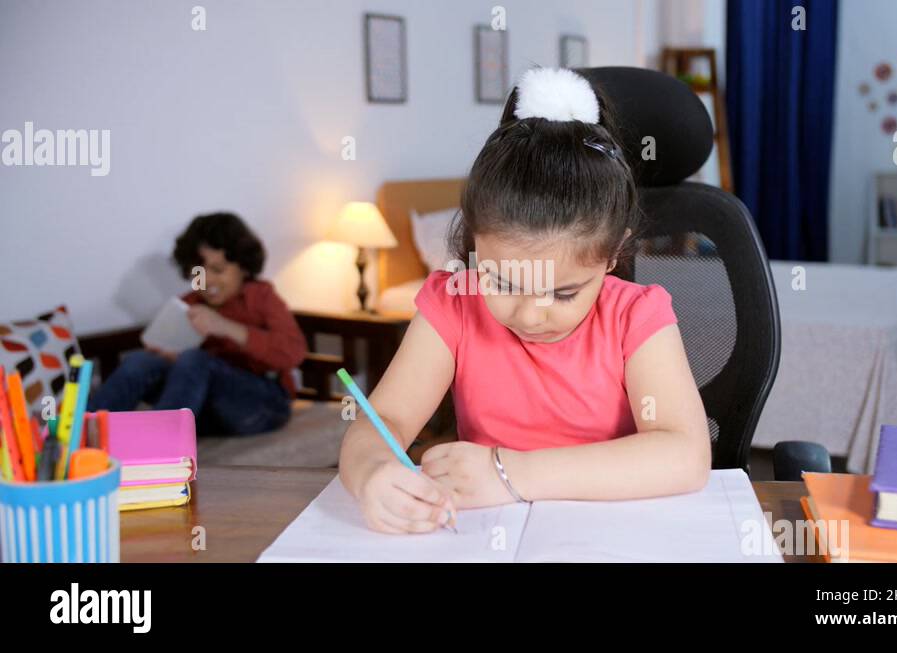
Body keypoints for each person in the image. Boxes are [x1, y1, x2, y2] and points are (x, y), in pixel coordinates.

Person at [338, 67, 710, 534]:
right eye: (504, 283)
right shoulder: (454, 304)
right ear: (474, 246)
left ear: (613, 254)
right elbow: (386, 418)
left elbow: (685, 454)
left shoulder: (636, 315)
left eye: (564, 291)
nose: (532, 314)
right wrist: (371, 472)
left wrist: (508, 473)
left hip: (611, 534)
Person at [89, 213, 307, 435]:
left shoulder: (261, 297)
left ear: (243, 267)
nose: (208, 281)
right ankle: (87, 433)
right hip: (206, 408)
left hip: (262, 404)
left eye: (218, 270)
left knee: (196, 360)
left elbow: (294, 353)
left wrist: (225, 327)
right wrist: (168, 356)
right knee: (141, 361)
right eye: (198, 272)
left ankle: (163, 443)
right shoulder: (189, 305)